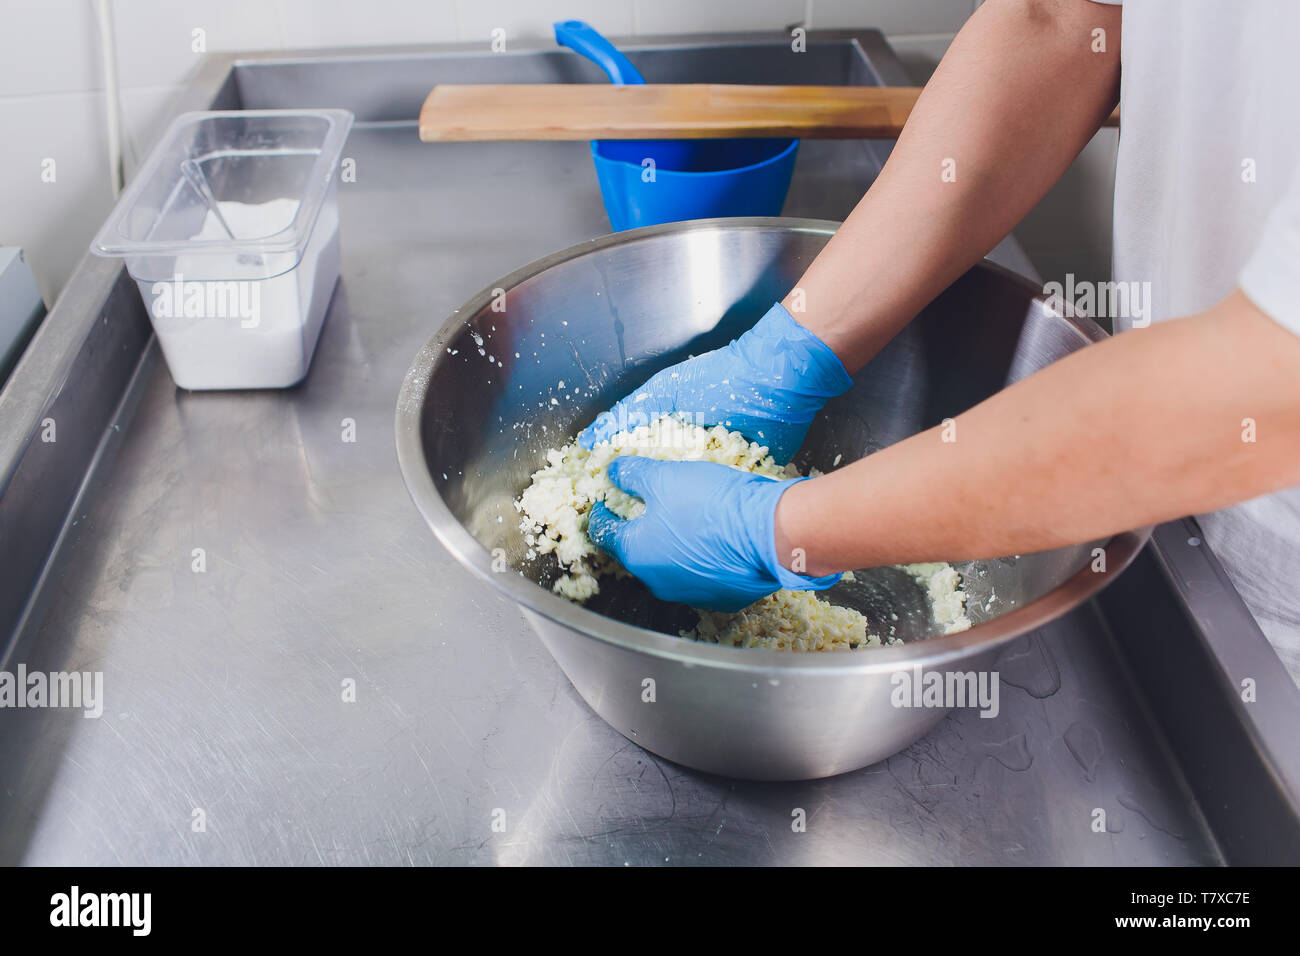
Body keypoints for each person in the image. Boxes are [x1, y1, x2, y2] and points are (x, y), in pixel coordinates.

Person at [580, 0, 1300, 683]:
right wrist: (788, 354)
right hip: (1148, 504)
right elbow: (1064, 20)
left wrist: (778, 527)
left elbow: (1266, 388)